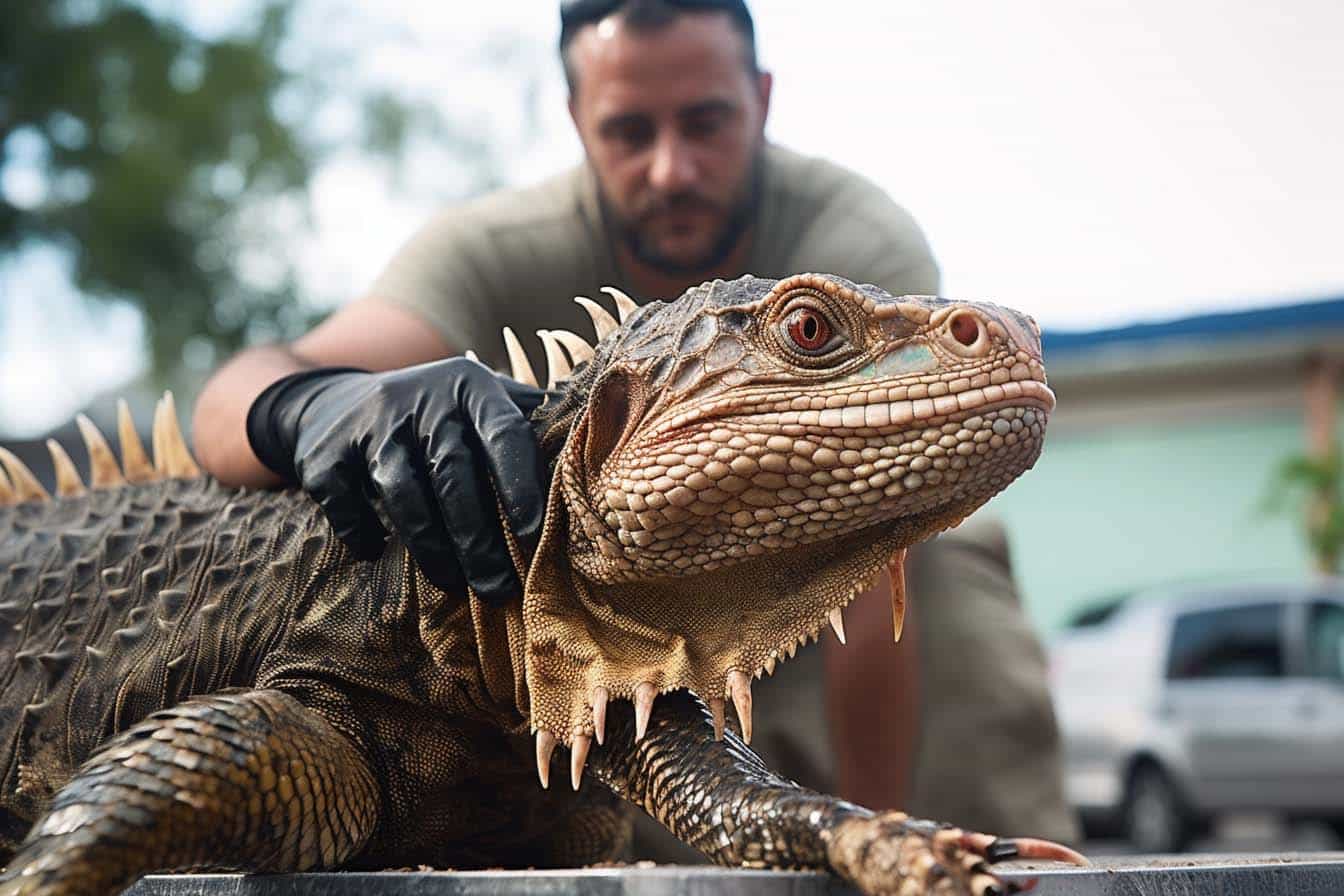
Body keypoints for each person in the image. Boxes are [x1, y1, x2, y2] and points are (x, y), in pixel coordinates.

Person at [194, 0, 1078, 848]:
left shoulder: (848, 229)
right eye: (629, 132)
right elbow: (226, 406)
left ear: (762, 100)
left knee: (952, 574)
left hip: (807, 591)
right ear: (578, 120)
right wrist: (320, 403)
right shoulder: (498, 248)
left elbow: (889, 578)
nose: (671, 169)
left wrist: (873, 835)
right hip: (588, 617)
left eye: (706, 122)